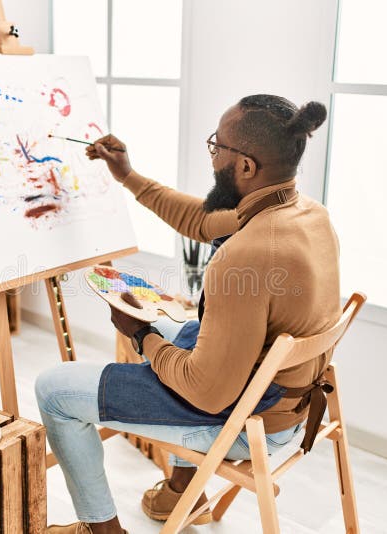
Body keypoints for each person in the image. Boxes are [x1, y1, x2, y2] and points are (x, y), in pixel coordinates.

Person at [38, 94, 340, 534]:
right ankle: (183, 489)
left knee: (54, 390)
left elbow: (205, 392)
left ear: (246, 166)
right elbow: (200, 220)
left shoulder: (246, 255)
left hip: (249, 423)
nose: (212, 155)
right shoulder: (307, 214)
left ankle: (102, 531)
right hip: (286, 404)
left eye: (217, 146)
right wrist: (127, 176)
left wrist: (140, 335)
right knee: (177, 327)